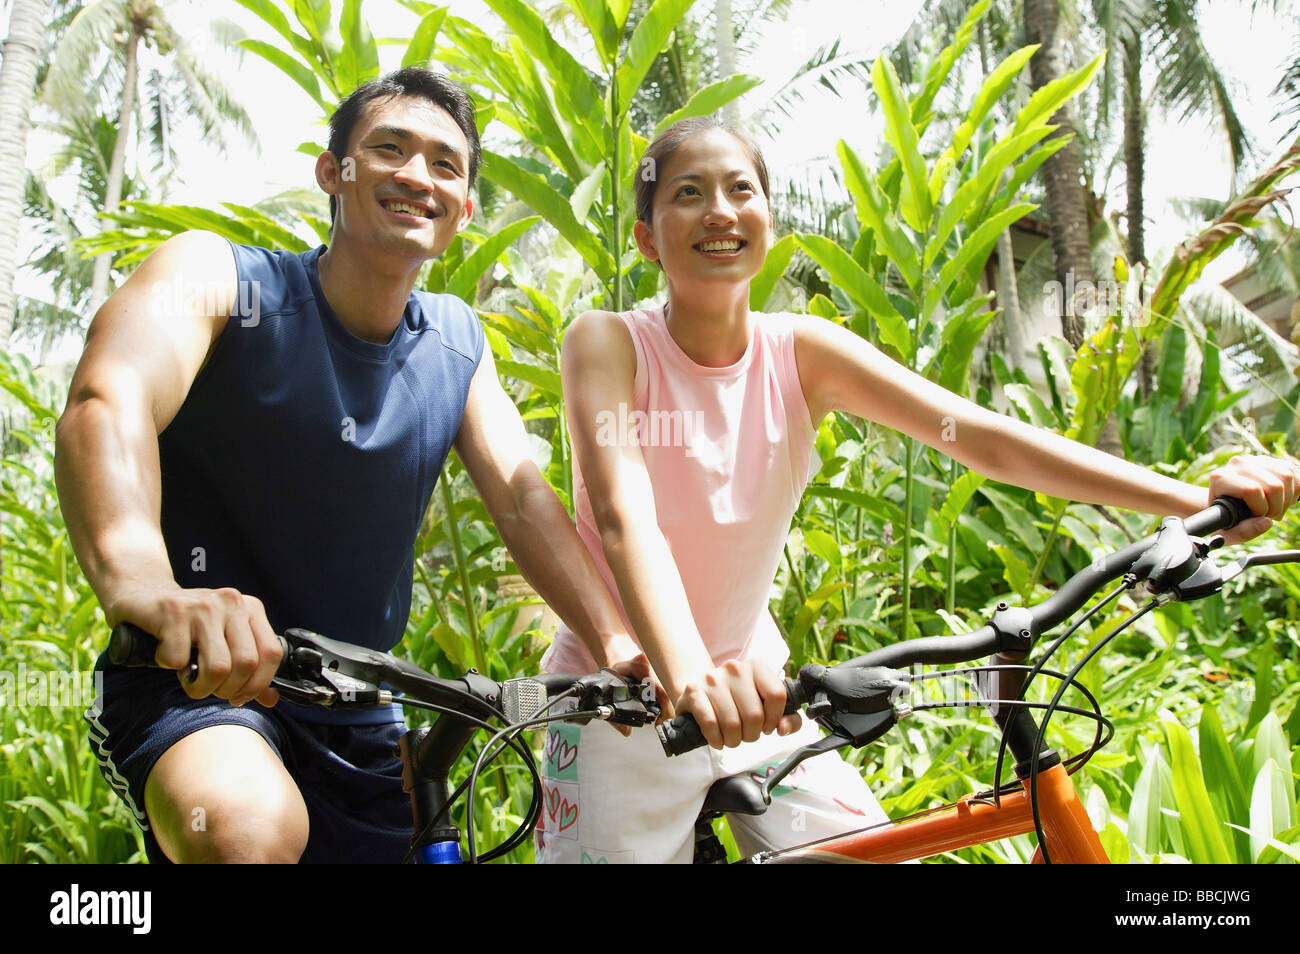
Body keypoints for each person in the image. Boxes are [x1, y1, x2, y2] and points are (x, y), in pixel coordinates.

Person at [535, 117, 1300, 864]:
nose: (720, 210)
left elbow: (980, 437)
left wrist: (1188, 498)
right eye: (688, 194)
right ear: (646, 236)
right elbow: (621, 512)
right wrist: (689, 677)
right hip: (621, 711)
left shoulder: (801, 353)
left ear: (767, 220)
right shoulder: (606, 343)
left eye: (741, 188)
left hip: (763, 698)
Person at [55, 68, 643, 864]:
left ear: (465, 211)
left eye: (445, 164)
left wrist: (614, 644)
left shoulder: (457, 344)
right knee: (247, 827)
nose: (416, 175)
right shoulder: (219, 278)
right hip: (196, 685)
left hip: (364, 708)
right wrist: (148, 587)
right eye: (388, 150)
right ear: (333, 172)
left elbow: (523, 499)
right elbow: (109, 397)